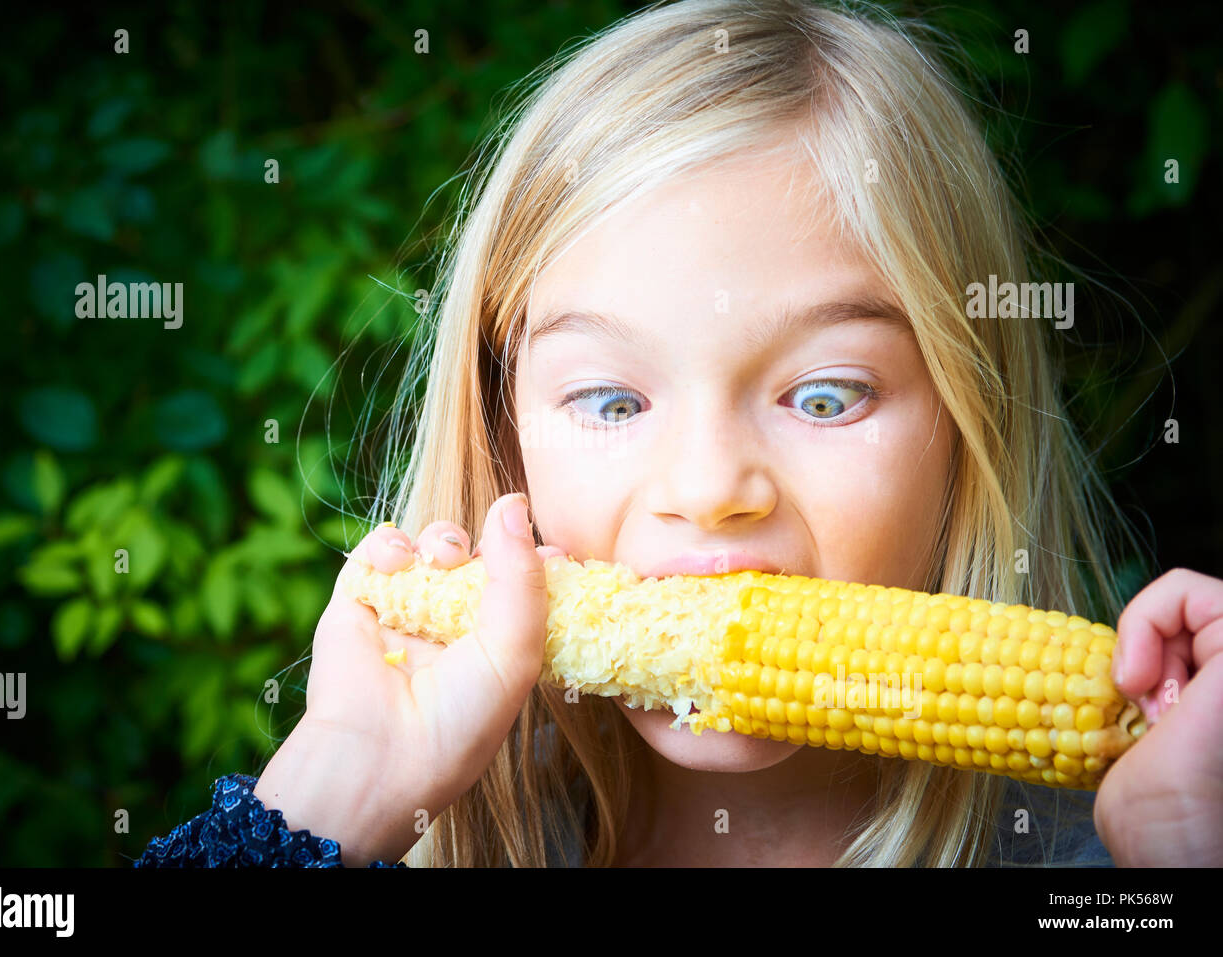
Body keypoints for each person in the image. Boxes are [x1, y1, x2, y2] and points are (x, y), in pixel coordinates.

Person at [134, 0, 1223, 868]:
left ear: (966, 434)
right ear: (507, 449)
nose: (707, 490)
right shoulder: (382, 838)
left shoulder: (1120, 859)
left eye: (826, 395)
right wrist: (337, 793)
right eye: (611, 401)